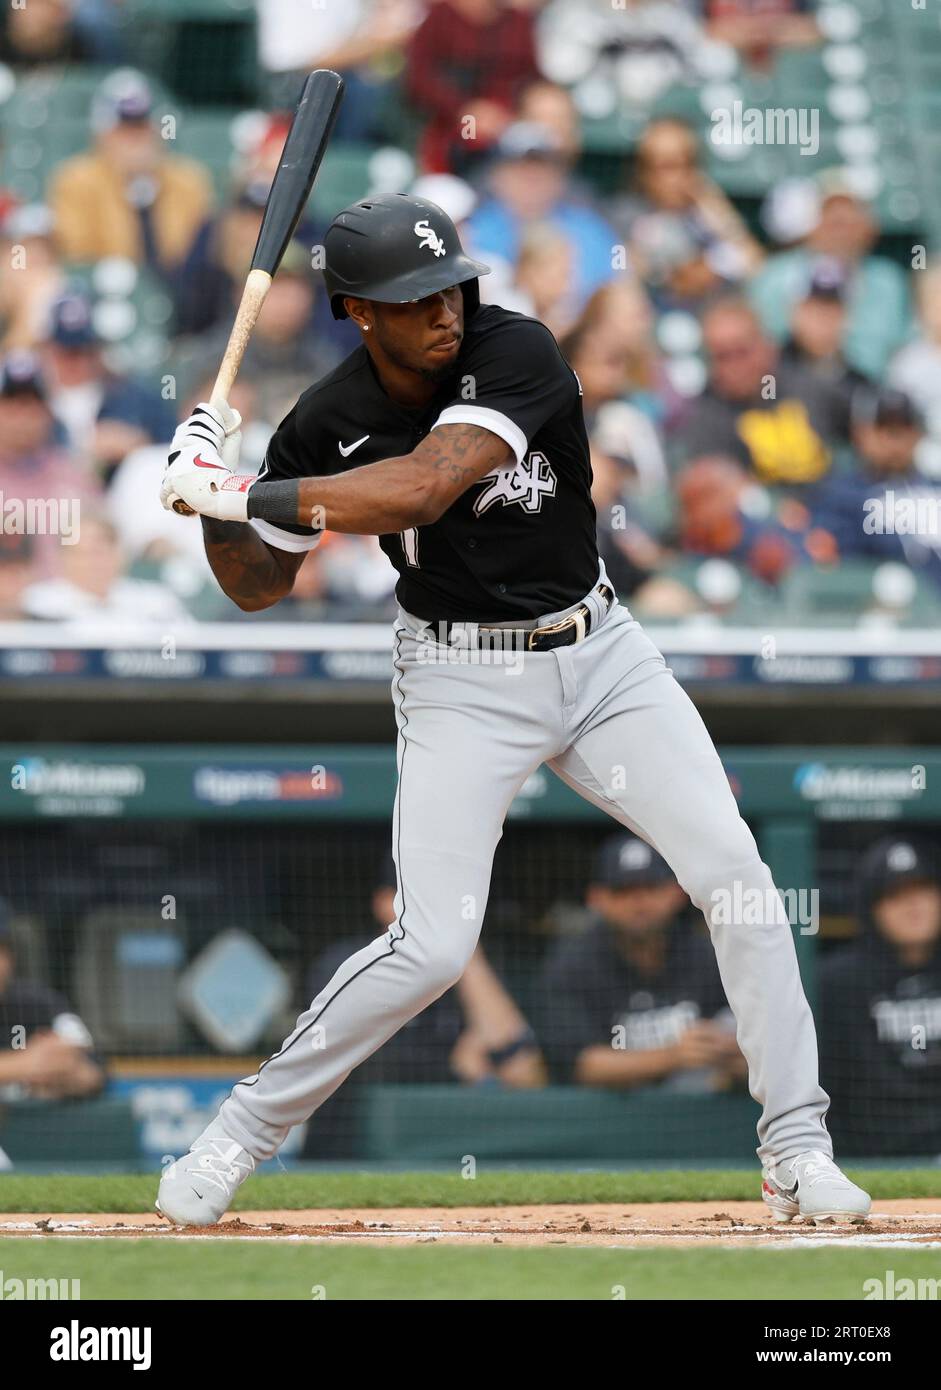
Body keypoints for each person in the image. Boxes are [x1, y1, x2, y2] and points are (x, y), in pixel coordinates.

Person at [155, 191, 870, 1227]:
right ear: (358, 310)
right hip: (460, 681)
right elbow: (257, 584)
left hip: (601, 652)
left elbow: (420, 489)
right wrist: (210, 486)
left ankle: (794, 1149)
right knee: (434, 946)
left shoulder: (516, 347)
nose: (442, 309)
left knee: (739, 880)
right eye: (412, 298)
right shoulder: (326, 417)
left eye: (449, 285)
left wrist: (240, 494)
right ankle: (238, 1134)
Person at [305, 853, 544, 1155]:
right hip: (343, 1152)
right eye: (420, 895)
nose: (433, 908)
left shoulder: (471, 974)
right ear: (383, 903)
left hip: (443, 1153)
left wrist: (467, 954)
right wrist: (454, 1066)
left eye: (442, 897)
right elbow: (358, 1068)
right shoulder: (345, 963)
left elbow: (526, 1075)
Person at [538, 834, 744, 1089]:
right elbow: (578, 1064)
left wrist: (728, 1052)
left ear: (677, 892)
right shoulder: (574, 963)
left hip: (699, 1114)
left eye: (651, 887)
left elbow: (760, 1052)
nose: (639, 903)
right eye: (622, 891)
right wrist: (673, 1056)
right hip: (609, 1119)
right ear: (596, 898)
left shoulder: (708, 955)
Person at [819, 836, 941, 1157]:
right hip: (874, 1149)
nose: (913, 905)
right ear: (871, 909)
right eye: (895, 895)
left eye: (922, 889)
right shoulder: (837, 981)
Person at [749, 172, 912, 380]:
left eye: (850, 219)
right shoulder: (773, 276)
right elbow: (761, 343)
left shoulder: (889, 281)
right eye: (832, 219)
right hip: (789, 391)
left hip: (866, 391)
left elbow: (901, 349)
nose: (840, 231)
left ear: (869, 229)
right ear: (811, 227)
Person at [49, 68, 213, 271]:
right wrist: (122, 182)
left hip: (178, 291)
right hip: (108, 290)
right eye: (124, 129)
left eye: (141, 127)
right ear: (102, 135)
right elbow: (78, 255)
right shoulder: (76, 180)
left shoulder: (188, 180)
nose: (135, 139)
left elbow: (195, 254)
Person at [679, 297, 847, 487]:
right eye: (722, 357)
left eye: (742, 351)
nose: (735, 367)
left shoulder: (790, 385)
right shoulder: (708, 419)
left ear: (767, 347)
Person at [611, 118, 763, 313]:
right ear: (644, 172)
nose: (680, 176)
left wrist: (725, 221)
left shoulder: (708, 212)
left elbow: (757, 270)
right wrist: (660, 271)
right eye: (668, 166)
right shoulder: (623, 214)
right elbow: (616, 267)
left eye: (688, 163)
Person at [467, 122, 619, 312]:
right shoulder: (473, 229)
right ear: (497, 174)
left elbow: (617, 290)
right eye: (521, 168)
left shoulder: (589, 229)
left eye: (543, 167)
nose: (533, 178)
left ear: (560, 177)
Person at [41, 289, 175, 478]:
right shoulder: (24, 398)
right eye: (64, 352)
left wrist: (139, 448)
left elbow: (175, 456)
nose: (73, 361)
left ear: (98, 349)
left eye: (82, 351)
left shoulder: (136, 398)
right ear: (47, 349)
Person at [405, 0, 538, 174]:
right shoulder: (441, 15)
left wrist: (508, 114)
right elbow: (419, 78)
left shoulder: (518, 20)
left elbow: (533, 77)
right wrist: (465, 109)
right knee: (470, 137)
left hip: (507, 118)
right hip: (451, 121)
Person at [0, 898, 104, 1101]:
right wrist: (23, 1064)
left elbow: (95, 1069)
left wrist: (67, 1073)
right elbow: (29, 1065)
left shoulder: (38, 1003)